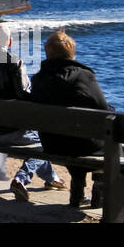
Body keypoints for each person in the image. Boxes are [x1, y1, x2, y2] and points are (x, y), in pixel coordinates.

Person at [0, 23, 65, 202]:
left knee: (35, 141)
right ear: (9, 42)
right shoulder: (14, 63)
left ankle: (52, 178)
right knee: (45, 144)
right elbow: (25, 98)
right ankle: (21, 178)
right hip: (8, 131)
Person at [29, 29, 113, 209]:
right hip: (81, 145)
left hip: (52, 144)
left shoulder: (38, 79)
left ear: (47, 53)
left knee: (74, 136)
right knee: (109, 140)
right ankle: (99, 184)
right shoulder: (83, 76)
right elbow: (103, 109)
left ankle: (78, 190)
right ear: (72, 52)